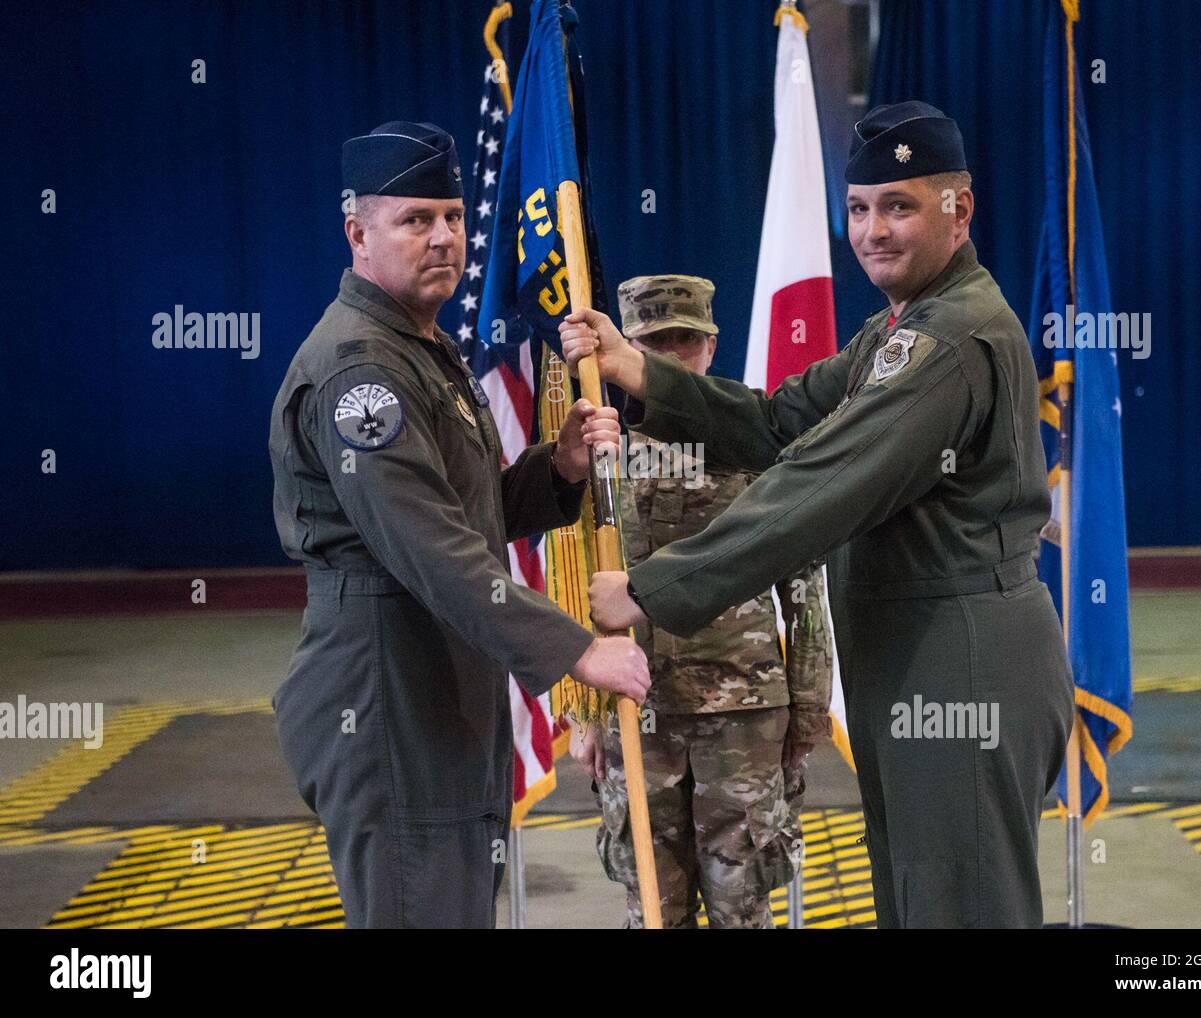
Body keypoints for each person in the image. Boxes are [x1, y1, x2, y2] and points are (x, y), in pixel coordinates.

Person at [561, 102, 1075, 929]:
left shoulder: (946, 343)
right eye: (861, 207)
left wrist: (654, 589)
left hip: (961, 659)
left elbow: (820, 487)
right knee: (923, 898)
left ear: (960, 209)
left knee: (959, 904)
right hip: (921, 655)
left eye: (900, 206)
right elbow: (777, 423)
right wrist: (642, 374)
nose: (873, 230)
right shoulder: (898, 329)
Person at [268, 121, 649, 929]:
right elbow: (433, 550)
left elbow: (464, 511)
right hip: (389, 691)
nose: (442, 238)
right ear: (357, 233)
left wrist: (561, 469)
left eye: (451, 217)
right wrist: (578, 649)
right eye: (414, 220)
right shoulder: (362, 370)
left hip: (436, 687)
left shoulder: (418, 348)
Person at [569, 274, 834, 928]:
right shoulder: (599, 447)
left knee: (742, 906)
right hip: (637, 709)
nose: (670, 356)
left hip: (742, 716)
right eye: (653, 343)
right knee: (652, 910)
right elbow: (575, 577)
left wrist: (809, 706)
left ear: (711, 346)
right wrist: (579, 711)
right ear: (623, 348)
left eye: (685, 340)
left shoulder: (755, 440)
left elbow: (803, 584)